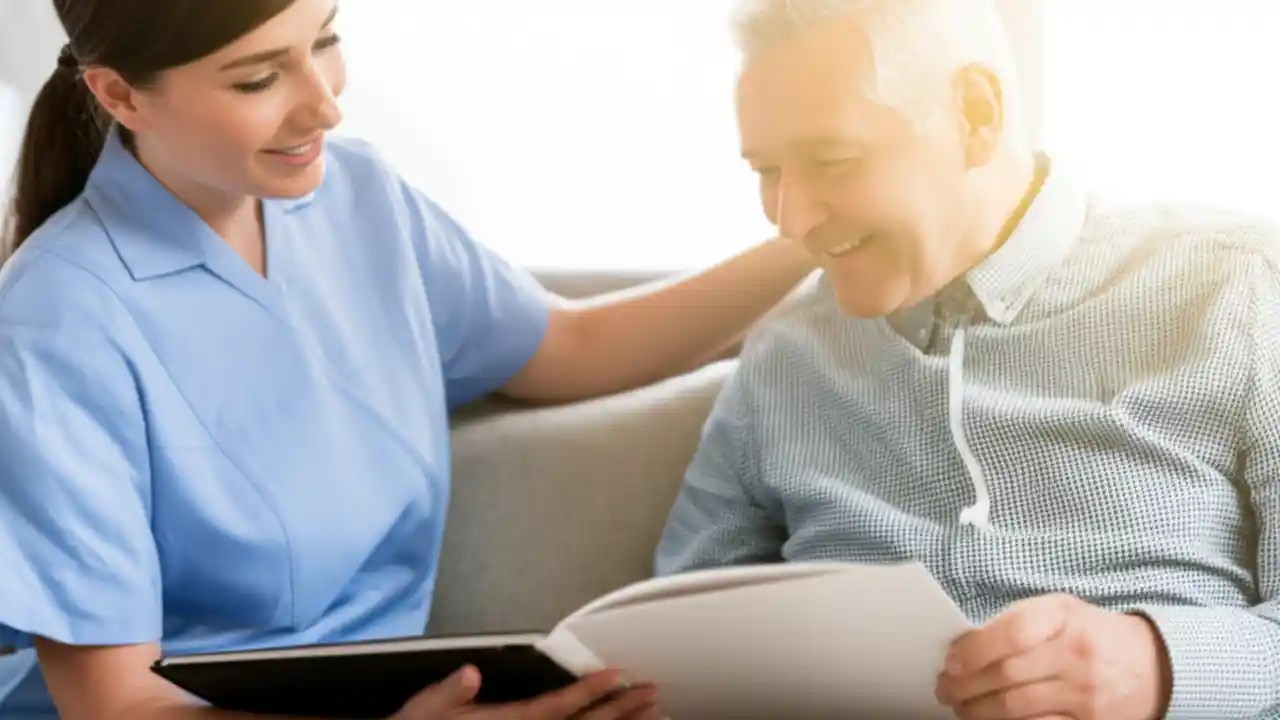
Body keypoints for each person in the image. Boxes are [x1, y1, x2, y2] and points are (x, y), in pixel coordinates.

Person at [0, 1, 818, 718]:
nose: (323, 106)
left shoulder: (358, 200)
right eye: (257, 80)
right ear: (117, 94)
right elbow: (118, 705)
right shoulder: (58, 322)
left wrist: (811, 232)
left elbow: (570, 347)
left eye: (325, 40)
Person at [655, 0, 1280, 718]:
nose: (792, 221)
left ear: (975, 116)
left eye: (833, 160)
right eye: (767, 170)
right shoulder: (784, 359)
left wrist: (1161, 668)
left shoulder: (1239, 289)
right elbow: (673, 641)